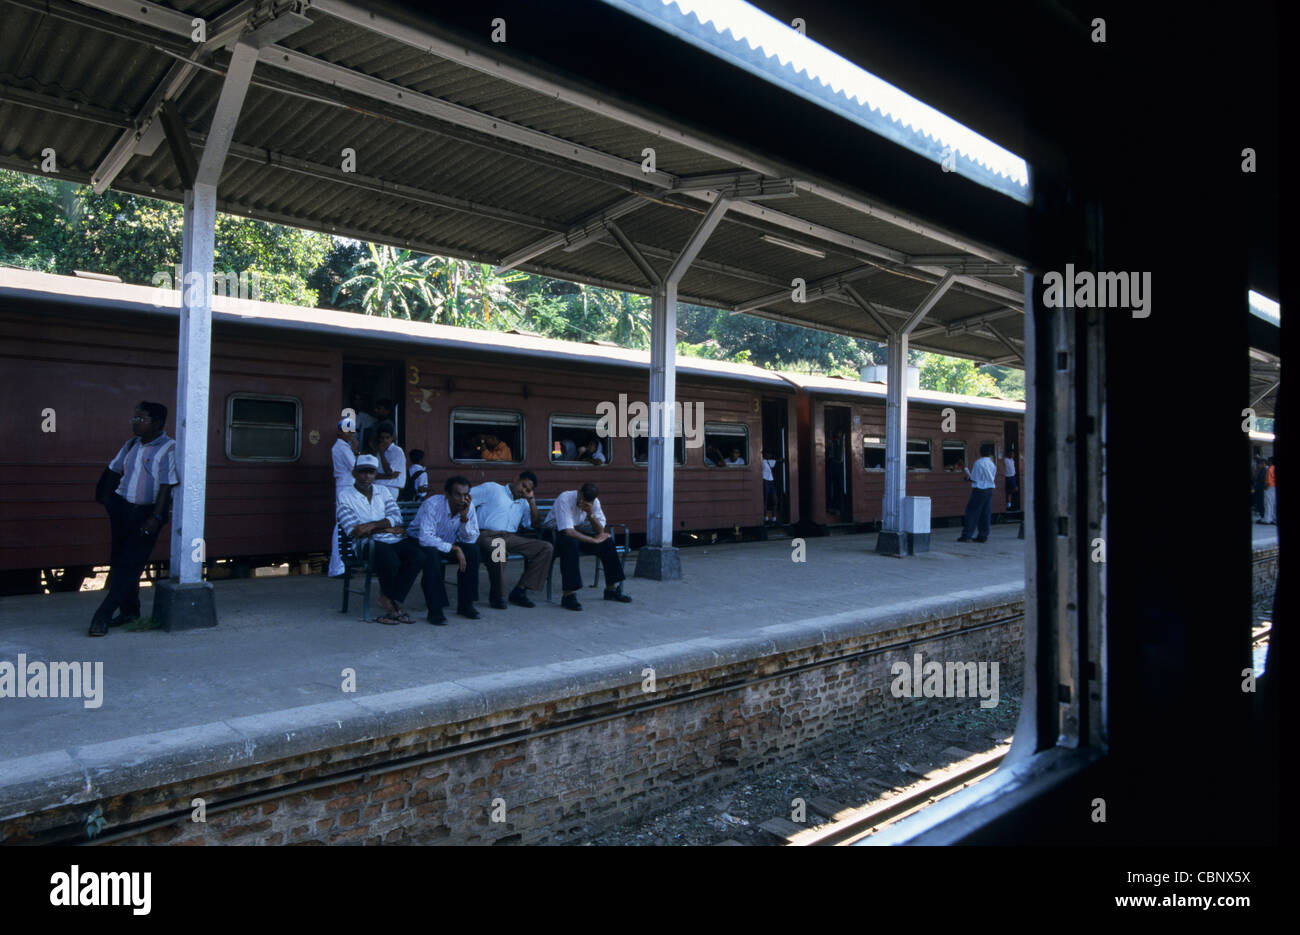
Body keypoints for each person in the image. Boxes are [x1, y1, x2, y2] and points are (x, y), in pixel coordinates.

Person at [89, 402, 180, 637]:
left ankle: (103, 615)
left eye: (140, 419)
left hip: (146, 514)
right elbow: (113, 470)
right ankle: (130, 611)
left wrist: (156, 517)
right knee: (119, 562)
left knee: (130, 566)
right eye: (134, 418)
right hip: (122, 510)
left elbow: (166, 486)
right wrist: (108, 502)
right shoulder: (131, 444)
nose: (134, 423)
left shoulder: (169, 449)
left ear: (158, 423)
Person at [336, 455, 423, 624]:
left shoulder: (383, 491)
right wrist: (386, 527)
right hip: (365, 544)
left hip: (390, 539)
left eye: (371, 472)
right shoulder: (345, 495)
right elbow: (355, 530)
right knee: (390, 560)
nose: (367, 476)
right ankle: (391, 607)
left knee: (418, 556)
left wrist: (372, 526)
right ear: (354, 473)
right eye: (363, 472)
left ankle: (389, 598)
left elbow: (396, 517)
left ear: (375, 474)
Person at [471, 470, 552, 609]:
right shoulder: (493, 489)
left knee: (546, 548)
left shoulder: (524, 501)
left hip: (510, 537)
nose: (524, 491)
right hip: (487, 535)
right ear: (516, 479)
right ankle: (498, 595)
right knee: (499, 550)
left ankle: (520, 590)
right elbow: (467, 499)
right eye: (523, 485)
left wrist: (531, 501)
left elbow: (534, 524)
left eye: (528, 490)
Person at [543, 482, 631, 611]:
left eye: (587, 501)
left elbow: (600, 530)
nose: (582, 503)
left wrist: (590, 513)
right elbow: (567, 531)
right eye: (581, 499)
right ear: (579, 492)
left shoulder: (594, 503)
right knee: (570, 543)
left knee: (606, 542)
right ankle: (568, 595)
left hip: (574, 532)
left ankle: (611, 590)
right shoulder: (565, 497)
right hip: (553, 534)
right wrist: (592, 540)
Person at [409, 475, 482, 624]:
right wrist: (454, 548)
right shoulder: (432, 504)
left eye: (465, 495)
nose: (462, 499)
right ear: (447, 494)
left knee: (473, 551)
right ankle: (435, 610)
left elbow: (470, 539)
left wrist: (464, 519)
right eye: (458, 494)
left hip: (446, 543)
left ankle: (466, 604)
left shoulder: (468, 507)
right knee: (432, 555)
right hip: (420, 542)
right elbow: (425, 537)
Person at [328, 418, 358, 577]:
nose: (351, 433)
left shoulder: (342, 447)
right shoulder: (343, 448)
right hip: (346, 488)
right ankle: (337, 567)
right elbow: (355, 468)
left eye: (352, 430)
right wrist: (356, 451)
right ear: (340, 431)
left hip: (346, 487)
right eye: (348, 430)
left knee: (347, 525)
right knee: (341, 526)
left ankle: (343, 564)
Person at [958, 443, 998, 542]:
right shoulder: (992, 464)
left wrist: (967, 477)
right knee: (985, 513)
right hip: (989, 490)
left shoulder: (978, 463)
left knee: (971, 512)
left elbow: (974, 479)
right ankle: (983, 536)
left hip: (979, 490)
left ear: (980, 452)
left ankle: (966, 535)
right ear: (989, 453)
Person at [369, 422, 406, 496]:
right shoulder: (378, 451)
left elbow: (390, 472)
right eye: (382, 438)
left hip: (390, 488)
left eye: (387, 437)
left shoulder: (397, 451)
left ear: (392, 438)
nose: (384, 440)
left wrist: (382, 454)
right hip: (376, 486)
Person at [761, 450, 778, 524]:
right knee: (765, 500)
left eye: (770, 454)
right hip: (765, 481)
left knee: (775, 500)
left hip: (771, 481)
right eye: (768, 453)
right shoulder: (762, 461)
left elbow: (776, 461)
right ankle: (766, 518)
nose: (769, 455)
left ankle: (774, 518)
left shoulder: (769, 461)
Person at [1260, 458, 1277, 525]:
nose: (1267, 462)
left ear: (1271, 461)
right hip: (1275, 487)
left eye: (1268, 461)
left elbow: (1268, 481)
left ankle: (1267, 519)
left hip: (1269, 487)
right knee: (1274, 504)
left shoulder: (1270, 469)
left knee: (1268, 504)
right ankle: (1273, 518)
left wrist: (1265, 487)